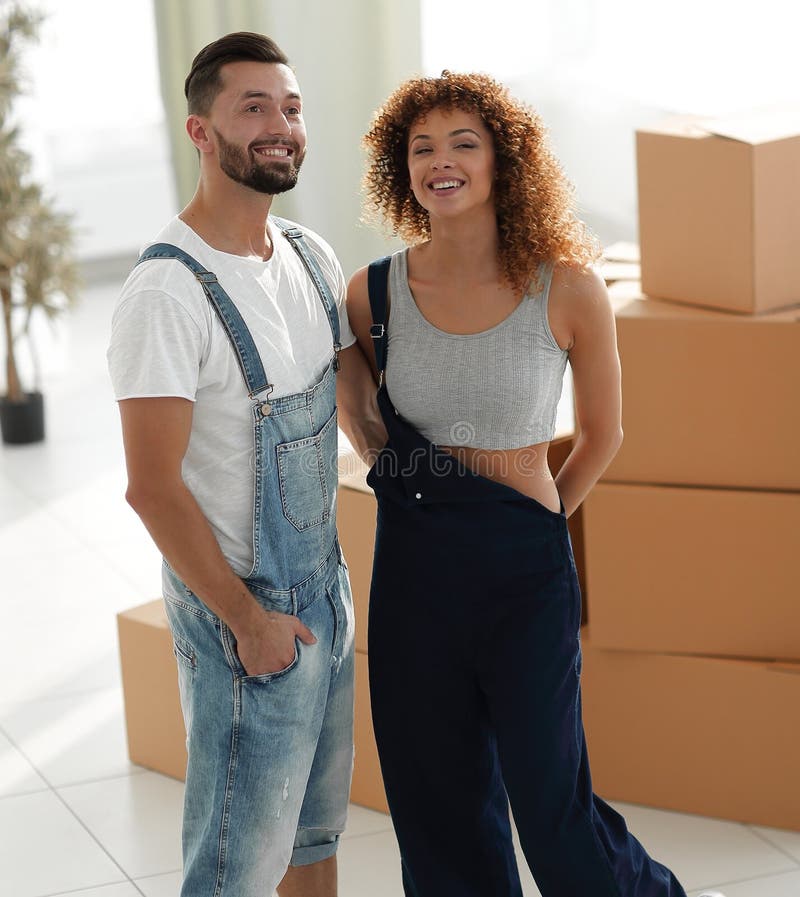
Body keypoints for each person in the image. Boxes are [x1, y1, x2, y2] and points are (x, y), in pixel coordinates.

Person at [343, 72, 726, 897]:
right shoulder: (371, 292)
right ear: (400, 168)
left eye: (463, 143)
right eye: (421, 148)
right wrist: (400, 478)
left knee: (552, 809)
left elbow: (601, 435)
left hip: (525, 572)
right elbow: (363, 409)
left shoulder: (568, 287)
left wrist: (534, 523)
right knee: (435, 801)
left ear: (504, 162)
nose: (440, 162)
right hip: (414, 571)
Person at [107, 32, 381, 897]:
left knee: (313, 838)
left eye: (291, 108)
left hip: (324, 597)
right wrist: (248, 622)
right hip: (243, 618)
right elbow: (152, 488)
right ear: (200, 130)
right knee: (232, 875)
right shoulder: (167, 292)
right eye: (253, 107)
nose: (280, 126)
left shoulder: (308, 255)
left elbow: (356, 407)